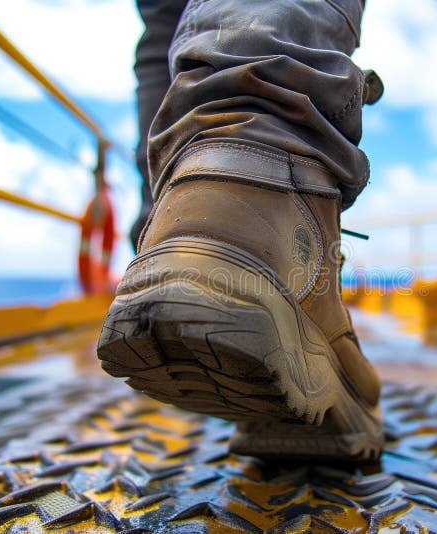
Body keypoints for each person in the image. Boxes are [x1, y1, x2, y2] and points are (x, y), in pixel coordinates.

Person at [98, 0, 383, 461]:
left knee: (165, 22)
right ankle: (264, 170)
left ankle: (185, 215)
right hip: (275, 216)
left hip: (172, 207)